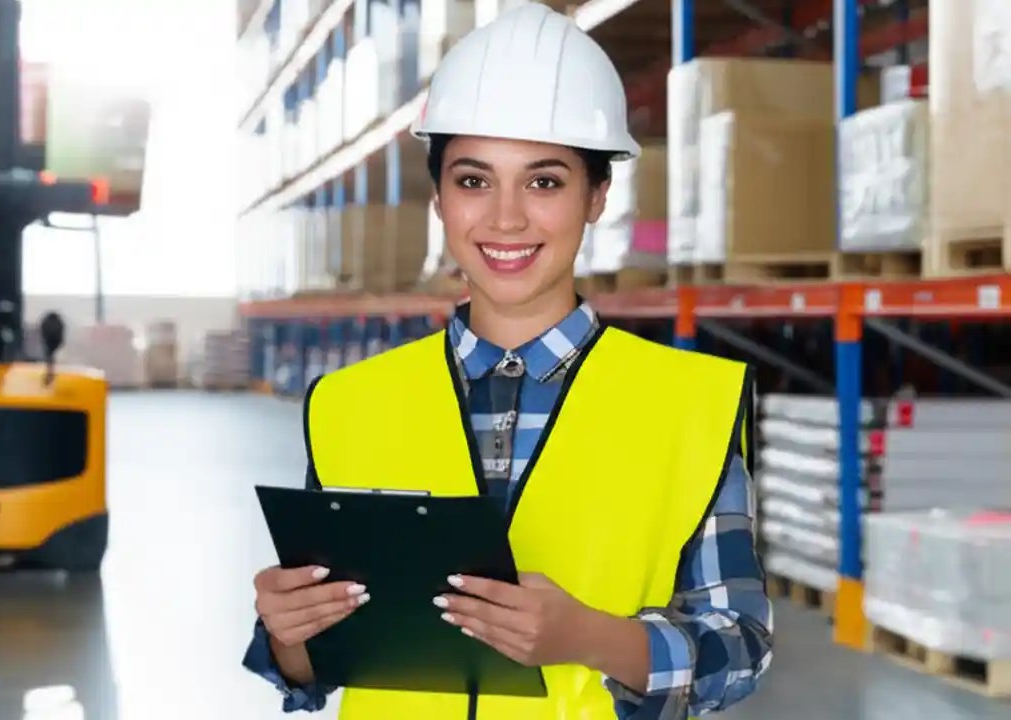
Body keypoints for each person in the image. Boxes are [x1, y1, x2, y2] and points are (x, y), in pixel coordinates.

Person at [243, 4, 774, 719]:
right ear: (438, 199)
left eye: (544, 181)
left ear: (597, 196)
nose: (505, 219)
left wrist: (591, 637)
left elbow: (739, 650)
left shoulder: (689, 404)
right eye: (473, 181)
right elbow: (314, 664)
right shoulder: (351, 403)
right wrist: (288, 635)